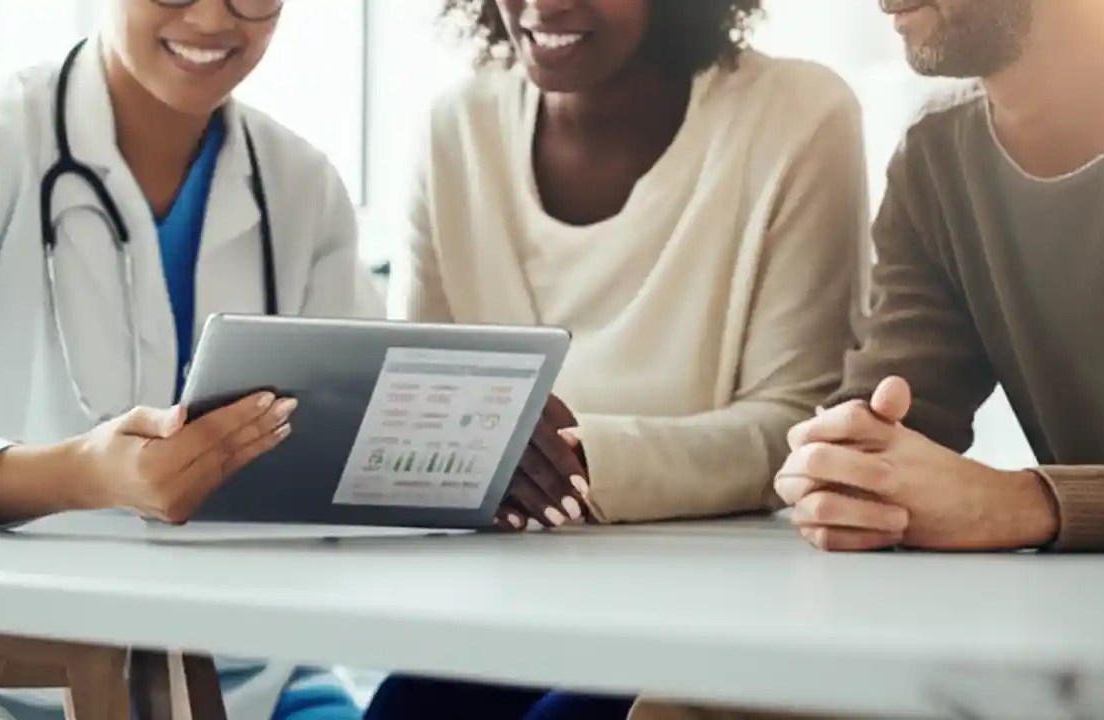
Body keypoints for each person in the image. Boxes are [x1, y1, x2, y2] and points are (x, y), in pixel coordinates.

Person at [0, 0, 379, 718]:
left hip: (249, 677)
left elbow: (357, 443)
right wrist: (76, 474)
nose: (213, 18)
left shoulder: (302, 186)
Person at [369, 0, 869, 716]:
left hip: (713, 612)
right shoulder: (455, 127)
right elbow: (417, 409)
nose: (545, 6)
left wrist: (579, 458)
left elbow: (794, 427)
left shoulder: (796, 115)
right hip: (502, 603)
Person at [776, 0, 1104, 555]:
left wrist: (1030, 503)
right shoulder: (936, 161)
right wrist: (846, 465)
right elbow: (896, 418)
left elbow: (1007, 507)